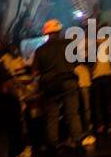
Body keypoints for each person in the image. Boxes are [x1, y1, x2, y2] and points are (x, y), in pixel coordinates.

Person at [32, 19, 86, 150]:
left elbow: (35, 72)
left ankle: (53, 143)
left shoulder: (40, 50)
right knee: (72, 113)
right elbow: (77, 62)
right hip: (68, 81)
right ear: (59, 30)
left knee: (52, 115)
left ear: (46, 33)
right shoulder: (69, 44)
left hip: (50, 84)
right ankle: (77, 140)